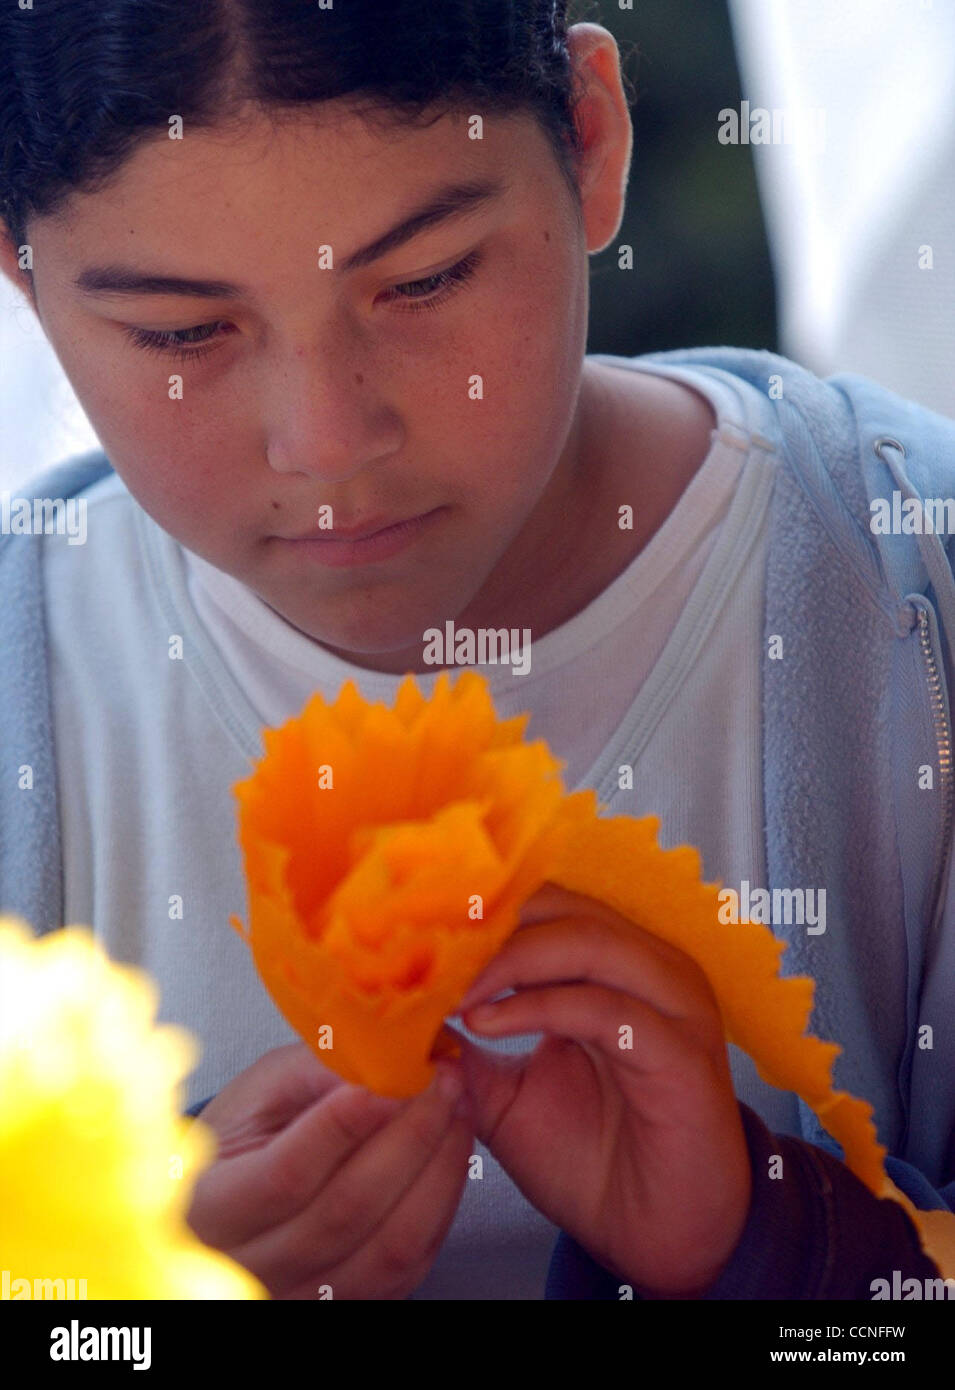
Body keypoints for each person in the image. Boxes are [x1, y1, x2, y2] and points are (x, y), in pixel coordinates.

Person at [1, 0, 952, 1302]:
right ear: (20, 270)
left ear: (593, 137)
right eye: (180, 334)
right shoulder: (29, 699)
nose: (327, 442)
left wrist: (782, 1244)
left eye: (428, 279)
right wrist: (107, 1291)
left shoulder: (912, 594)